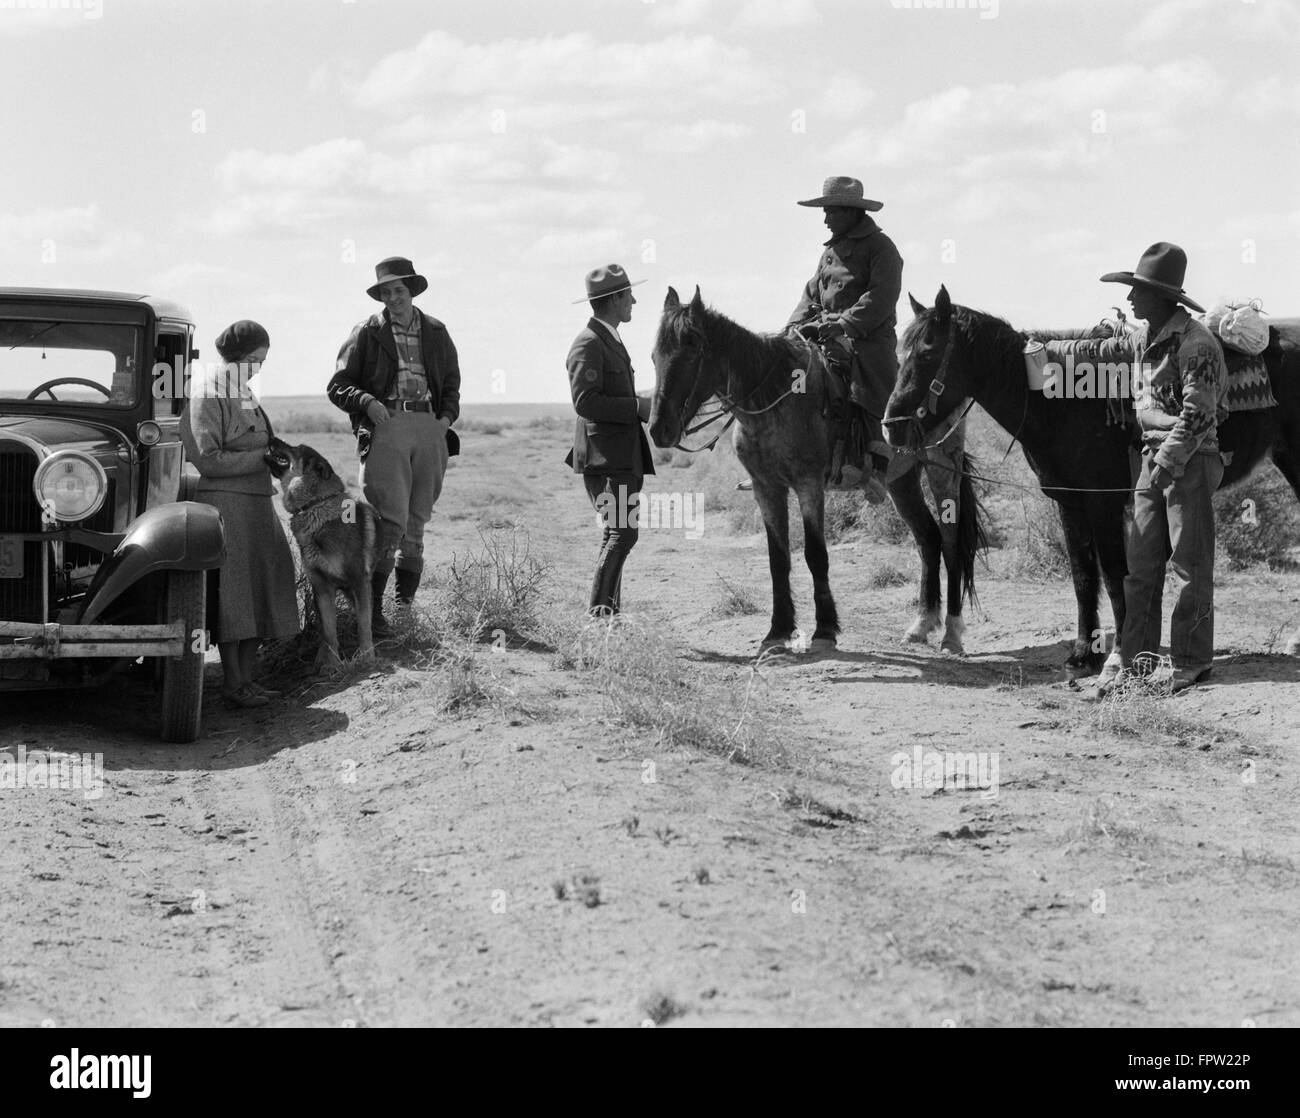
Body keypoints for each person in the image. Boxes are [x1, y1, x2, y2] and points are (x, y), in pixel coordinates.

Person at [1053, 243, 1228, 695]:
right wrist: (1047, 348)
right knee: (1141, 567)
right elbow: (1100, 346)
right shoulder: (1143, 338)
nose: (1130, 299)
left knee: (1189, 566)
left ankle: (1191, 661)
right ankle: (1136, 661)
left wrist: (1166, 464)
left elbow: (1199, 415)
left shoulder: (1197, 344)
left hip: (1188, 460)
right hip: (1153, 462)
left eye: (1138, 291)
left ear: (1163, 297)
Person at [327, 256, 461, 636]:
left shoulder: (437, 331)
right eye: (386, 293)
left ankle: (404, 615)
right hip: (386, 424)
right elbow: (338, 386)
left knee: (417, 524)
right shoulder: (367, 332)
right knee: (391, 522)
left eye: (399, 291)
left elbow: (451, 383)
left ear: (412, 291)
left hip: (430, 427)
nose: (393, 298)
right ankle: (374, 617)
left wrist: (444, 420)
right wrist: (368, 403)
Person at [179, 320, 299, 708]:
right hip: (228, 505)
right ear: (232, 358)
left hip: (256, 503)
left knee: (261, 589)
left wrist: (277, 453)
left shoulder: (242, 391)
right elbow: (209, 460)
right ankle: (234, 684)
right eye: (252, 360)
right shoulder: (207, 394)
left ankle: (248, 680)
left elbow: (257, 441)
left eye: (262, 361)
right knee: (235, 597)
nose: (257, 368)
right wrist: (261, 457)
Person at [787, 175, 903, 505]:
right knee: (792, 376)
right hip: (825, 334)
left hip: (868, 338)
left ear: (852, 212)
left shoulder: (882, 248)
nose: (825, 220)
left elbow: (882, 296)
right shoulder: (830, 253)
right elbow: (810, 297)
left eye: (831, 212)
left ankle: (876, 464)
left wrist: (844, 325)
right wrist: (791, 332)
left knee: (866, 383)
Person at [564, 264, 655, 616]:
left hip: (616, 457)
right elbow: (585, 402)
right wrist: (637, 406)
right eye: (628, 294)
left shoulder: (606, 338)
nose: (633, 300)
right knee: (622, 535)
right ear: (614, 299)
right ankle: (599, 621)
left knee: (616, 534)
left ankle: (606, 622)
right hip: (607, 459)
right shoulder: (589, 343)